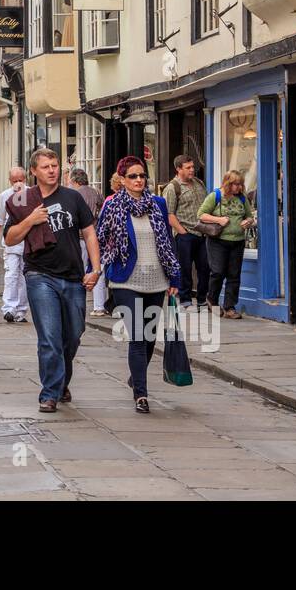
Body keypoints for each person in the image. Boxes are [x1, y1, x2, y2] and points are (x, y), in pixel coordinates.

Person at [4, 148, 100, 412]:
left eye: (55, 165)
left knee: (74, 335)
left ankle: (60, 381)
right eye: (45, 166)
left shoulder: (73, 198)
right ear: (33, 171)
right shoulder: (23, 201)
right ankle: (49, 392)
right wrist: (31, 221)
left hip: (73, 276)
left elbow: (90, 233)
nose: (52, 170)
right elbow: (10, 238)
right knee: (49, 336)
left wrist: (96, 268)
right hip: (39, 275)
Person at [95, 156, 181, 414]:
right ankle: (141, 395)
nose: (139, 180)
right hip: (125, 280)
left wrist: (175, 277)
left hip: (156, 280)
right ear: (122, 180)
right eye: (133, 176)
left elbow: (167, 241)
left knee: (150, 338)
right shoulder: (112, 207)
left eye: (142, 175)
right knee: (137, 336)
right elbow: (99, 240)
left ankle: (137, 374)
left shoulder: (158, 204)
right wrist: (96, 270)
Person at [198, 170, 255, 318]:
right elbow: (201, 215)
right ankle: (212, 300)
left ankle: (230, 307)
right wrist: (219, 220)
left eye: (240, 184)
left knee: (234, 275)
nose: (238, 187)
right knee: (217, 271)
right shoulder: (215, 196)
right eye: (235, 184)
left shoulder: (242, 198)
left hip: (238, 241)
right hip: (218, 241)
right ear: (227, 183)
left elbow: (250, 216)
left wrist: (247, 221)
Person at [164, 155, 211, 309]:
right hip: (185, 234)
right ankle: (185, 299)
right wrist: (182, 232)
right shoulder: (172, 187)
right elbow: (169, 214)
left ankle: (202, 299)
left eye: (192, 167)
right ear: (178, 169)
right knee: (185, 268)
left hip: (202, 232)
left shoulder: (199, 183)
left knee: (204, 268)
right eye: (188, 167)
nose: (192, 170)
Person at [0, 167, 30, 323]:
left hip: (27, 244)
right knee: (11, 275)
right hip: (11, 243)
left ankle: (21, 310)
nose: (18, 183)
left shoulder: (32, 194)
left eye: (21, 180)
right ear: (10, 181)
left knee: (25, 278)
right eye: (15, 181)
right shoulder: (5, 196)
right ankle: (9, 308)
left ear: (25, 179)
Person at [68, 168, 109, 317]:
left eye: (71, 181)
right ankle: (99, 306)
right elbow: (103, 210)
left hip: (79, 237)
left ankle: (77, 305)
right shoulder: (96, 192)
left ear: (75, 181)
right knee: (96, 270)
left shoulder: (74, 195)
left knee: (79, 270)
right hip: (96, 235)